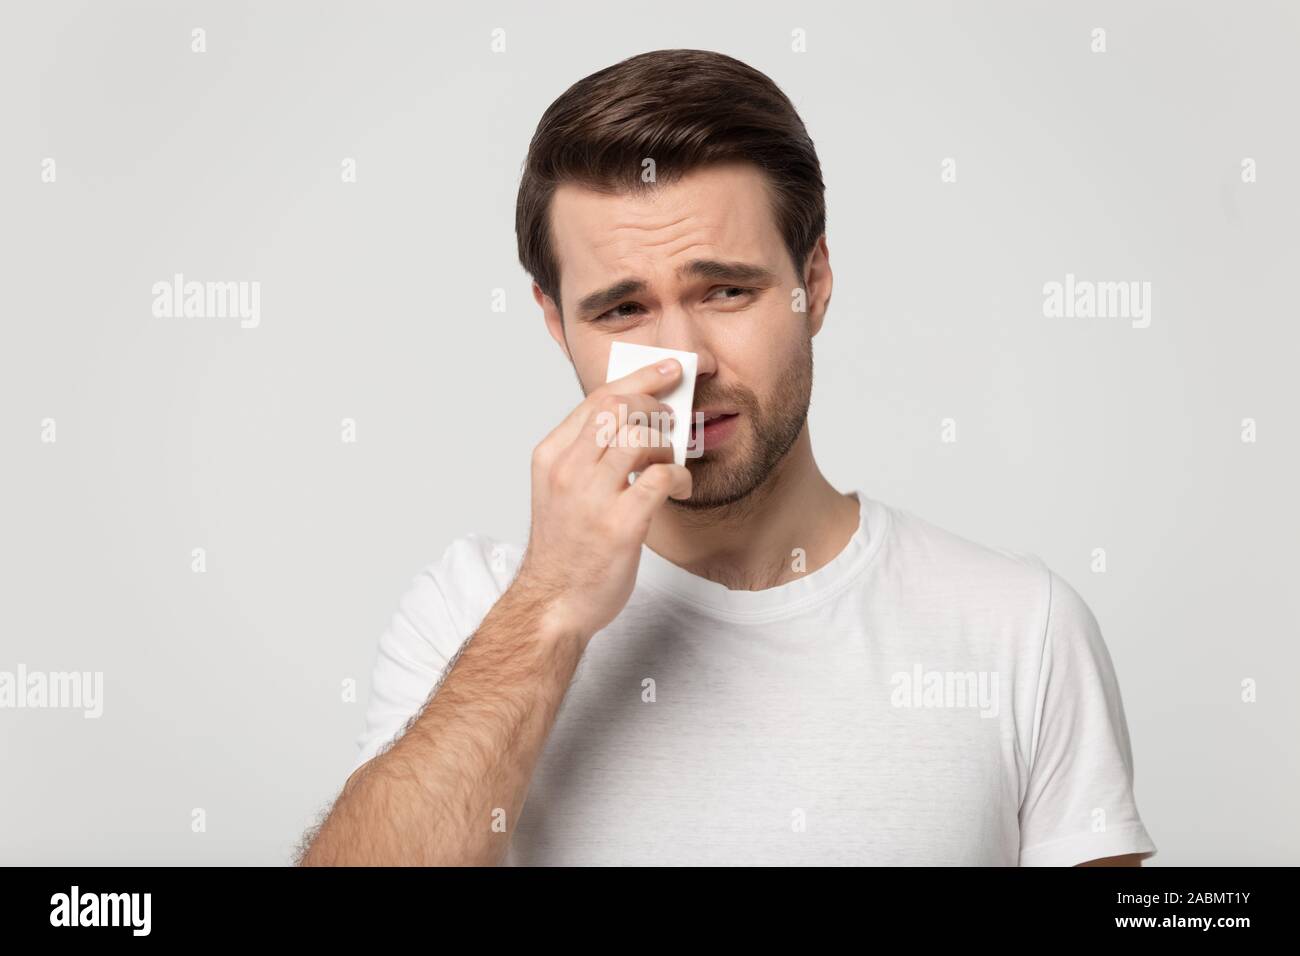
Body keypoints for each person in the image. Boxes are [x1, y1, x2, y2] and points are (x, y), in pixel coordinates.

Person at [297, 49, 1156, 866]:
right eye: (623, 309)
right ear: (557, 324)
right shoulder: (469, 611)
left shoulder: (1019, 628)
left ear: (812, 283)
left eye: (726, 291)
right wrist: (551, 607)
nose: (685, 358)